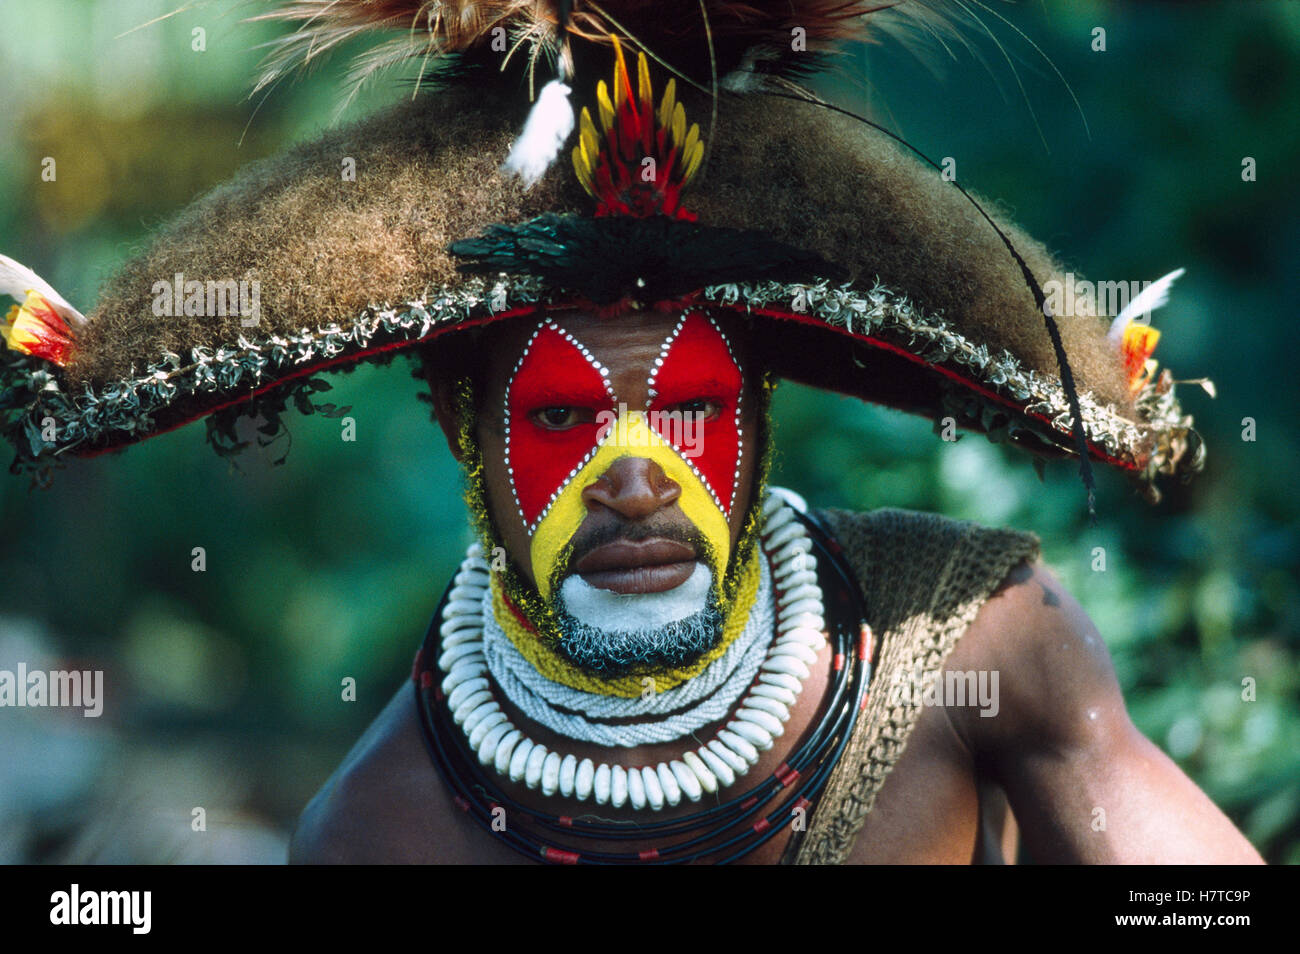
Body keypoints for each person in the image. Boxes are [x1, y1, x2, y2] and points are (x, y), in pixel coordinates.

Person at [0, 1, 1262, 864]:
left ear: (758, 422)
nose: (639, 476)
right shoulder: (389, 829)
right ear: (464, 434)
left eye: (694, 410)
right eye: (560, 416)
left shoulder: (980, 641)